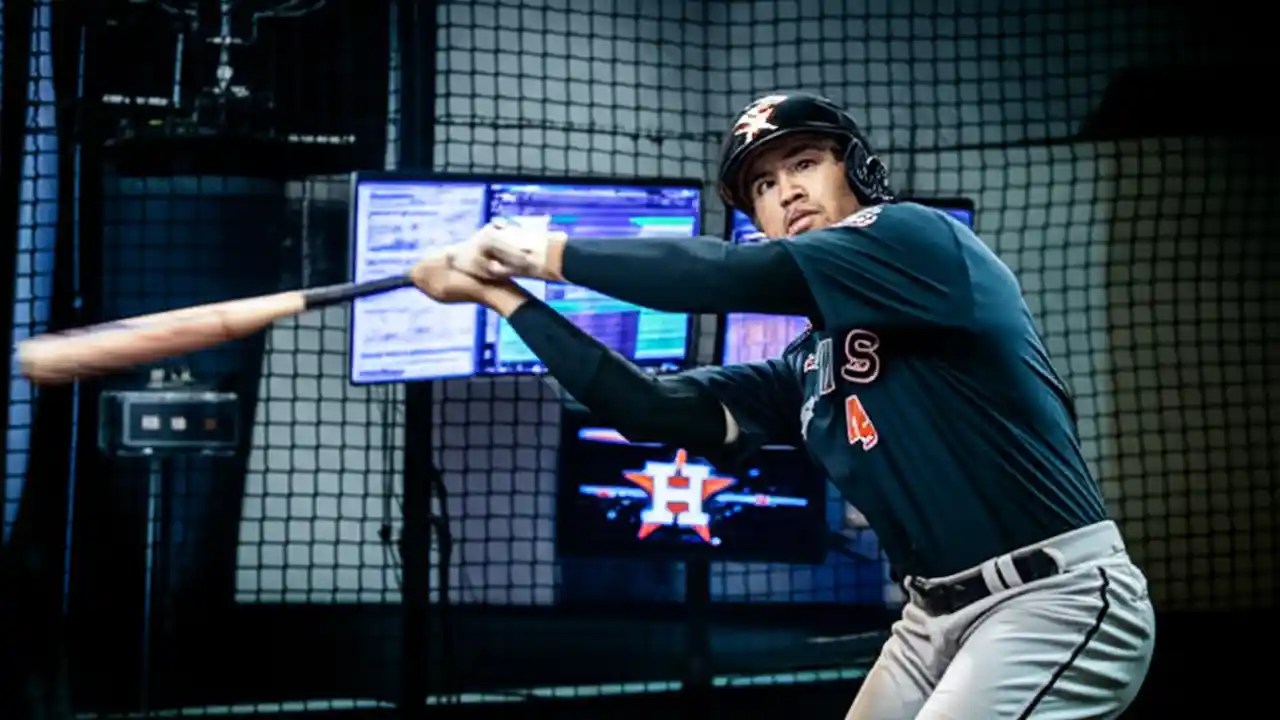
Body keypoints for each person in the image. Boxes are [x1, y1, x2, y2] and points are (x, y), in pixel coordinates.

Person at [412, 93, 1156, 719]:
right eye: (764, 185)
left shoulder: (914, 239)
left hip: (1053, 599)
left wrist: (532, 248)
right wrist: (501, 298)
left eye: (804, 164)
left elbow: (722, 277)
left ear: (857, 171)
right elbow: (648, 410)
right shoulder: (807, 366)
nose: (788, 190)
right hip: (932, 620)